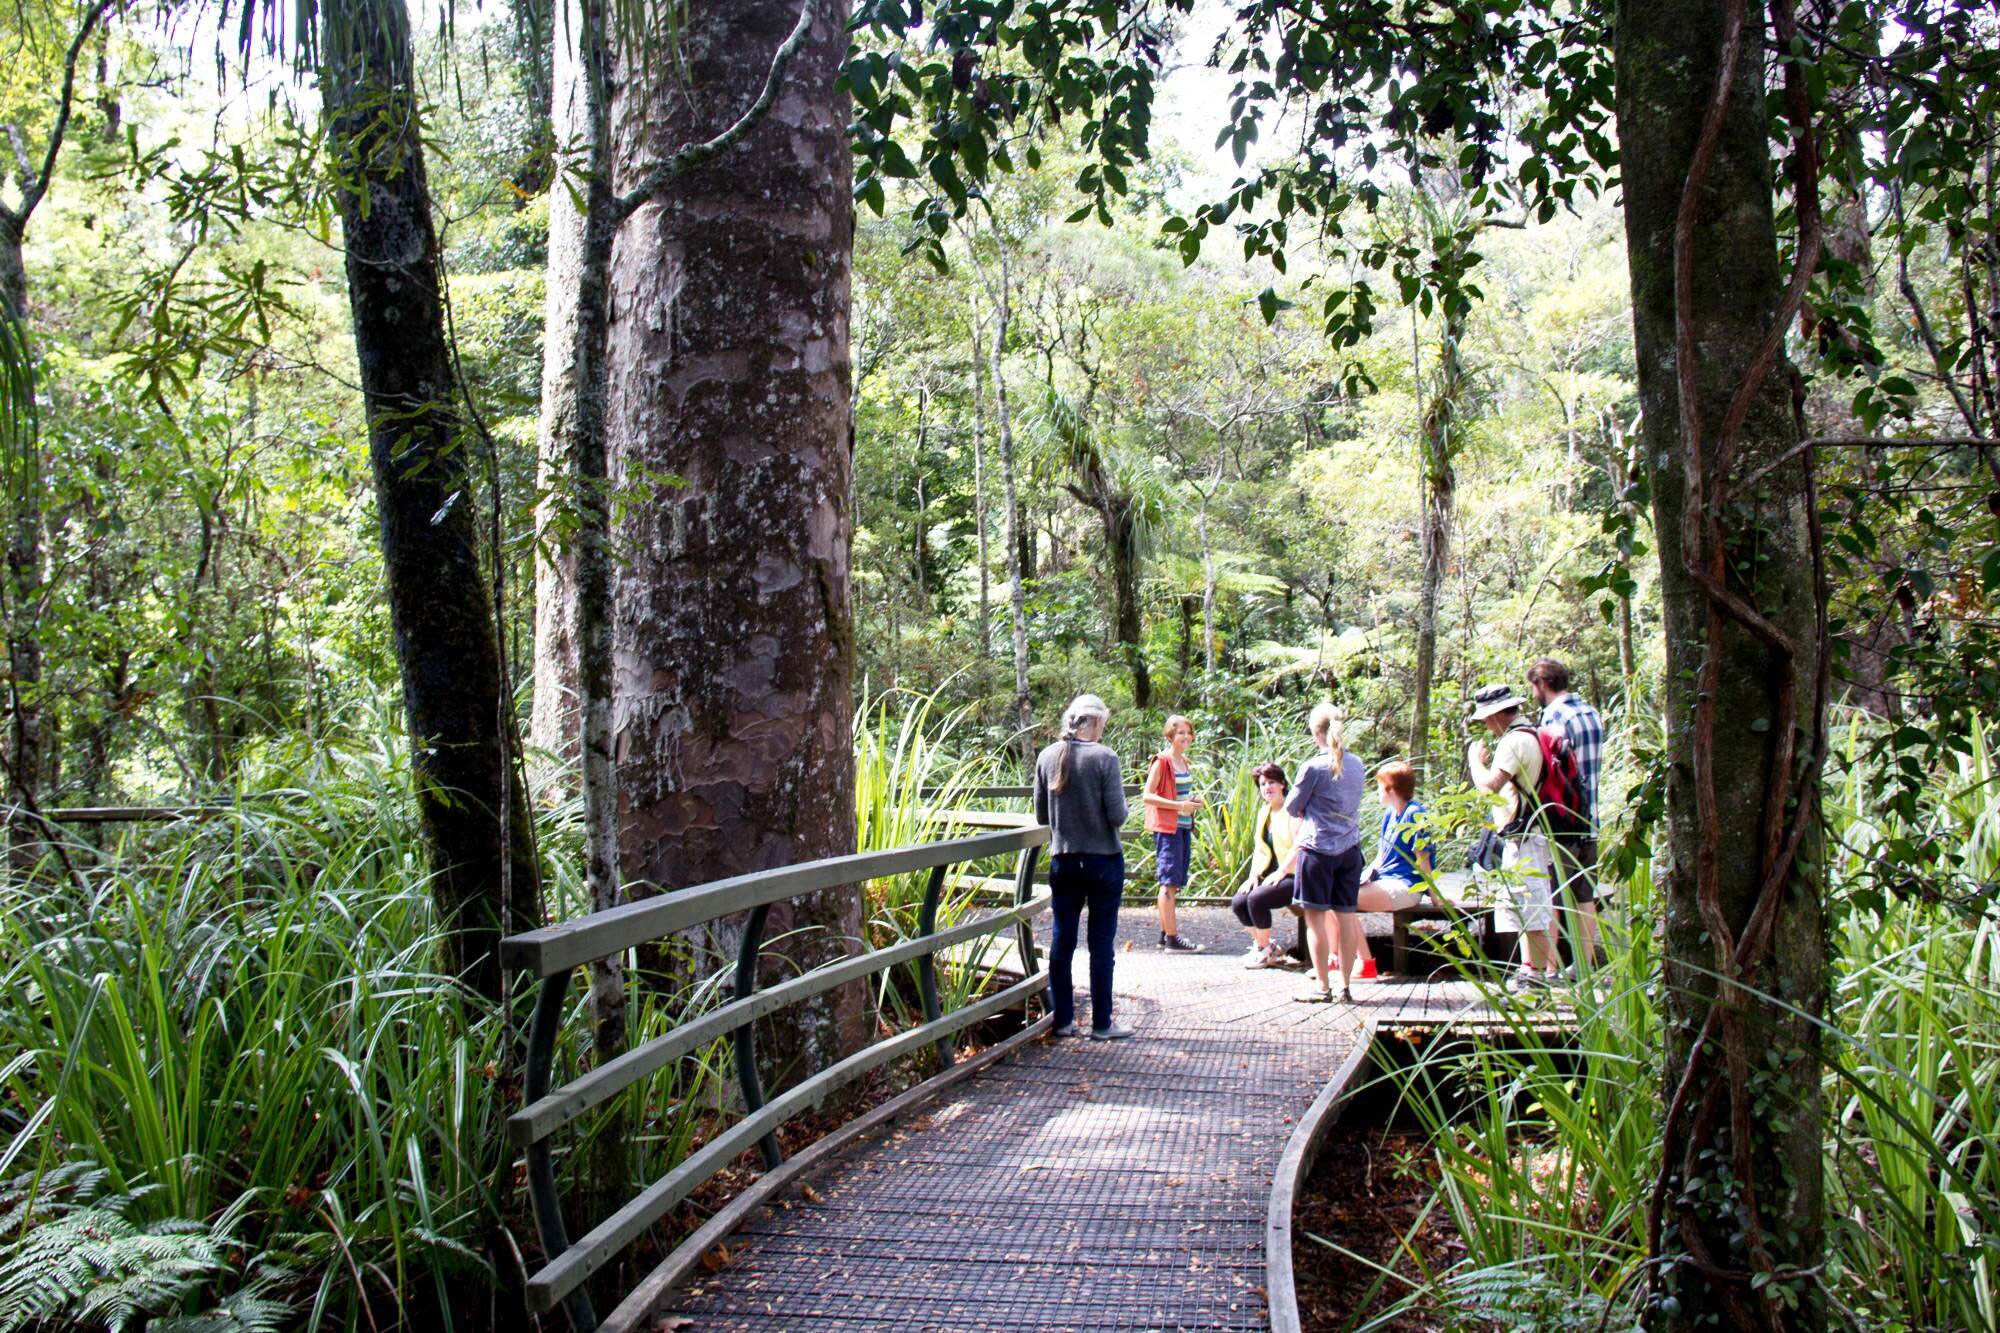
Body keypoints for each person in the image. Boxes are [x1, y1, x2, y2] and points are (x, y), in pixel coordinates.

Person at [1032, 694, 1135, 1040]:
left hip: (1063, 860)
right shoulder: (1105, 758)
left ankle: (1063, 1020)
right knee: (1101, 945)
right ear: (1097, 722)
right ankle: (1102, 1024)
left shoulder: (1047, 756)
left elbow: (1041, 816)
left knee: (1062, 941)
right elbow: (1117, 815)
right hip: (1103, 861)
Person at [1465, 683, 1560, 991]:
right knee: (1523, 908)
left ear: (1494, 715)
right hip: (1528, 834)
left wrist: (1475, 761)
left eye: (1485, 720)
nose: (1486, 726)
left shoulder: (1514, 741)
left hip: (1526, 837)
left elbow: (1490, 787)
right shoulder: (1530, 734)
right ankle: (1528, 971)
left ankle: (1536, 981)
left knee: (1530, 909)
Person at [1286, 702, 1367, 1003]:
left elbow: (1293, 806)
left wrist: (1310, 807)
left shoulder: (1312, 767)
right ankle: (1345, 986)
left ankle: (1323, 987)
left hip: (1317, 850)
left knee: (1315, 919)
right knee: (1346, 916)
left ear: (1315, 733)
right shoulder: (1358, 765)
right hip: (1350, 849)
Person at [1529, 657, 1606, 969]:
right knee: (1585, 896)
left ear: (1542, 683)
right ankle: (1582, 966)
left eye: (1533, 687)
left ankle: (1550, 968)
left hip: (1563, 819)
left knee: (1552, 895)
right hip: (1591, 819)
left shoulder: (1553, 717)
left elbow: (1549, 770)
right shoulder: (1591, 713)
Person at [1347, 761, 1436, 976]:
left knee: (1341, 898)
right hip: (1384, 880)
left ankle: (1365, 963)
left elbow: (1423, 860)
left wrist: (1436, 897)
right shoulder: (1390, 814)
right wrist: (1362, 877)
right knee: (1333, 893)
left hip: (1405, 886)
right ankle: (1338, 958)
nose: (1377, 791)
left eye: (1380, 786)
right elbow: (1381, 856)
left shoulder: (1415, 814)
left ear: (1391, 789)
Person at [1230, 763, 1305, 969]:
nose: (1267, 787)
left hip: (1293, 875)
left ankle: (1265, 951)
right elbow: (1260, 849)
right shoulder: (1265, 812)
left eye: (1271, 782)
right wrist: (1253, 876)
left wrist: (1282, 871)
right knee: (1239, 901)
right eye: (1262, 784)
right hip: (1269, 874)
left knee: (1257, 899)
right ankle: (1265, 945)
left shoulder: (1293, 811)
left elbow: (1299, 847)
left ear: (1282, 784)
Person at [1142, 714, 1204, 952]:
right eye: (1181, 733)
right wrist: (1179, 806)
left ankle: (1164, 933)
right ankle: (1172, 939)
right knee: (1168, 882)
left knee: (1174, 882)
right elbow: (1148, 795)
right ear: (1170, 735)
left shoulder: (1184, 761)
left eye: (1189, 732)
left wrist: (1191, 802)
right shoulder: (1162, 762)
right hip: (1168, 828)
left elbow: (1179, 794)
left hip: (1184, 826)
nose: (1186, 737)